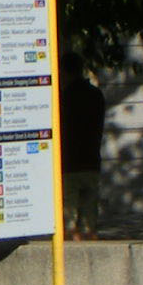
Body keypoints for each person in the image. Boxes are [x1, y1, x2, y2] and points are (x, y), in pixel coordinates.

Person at [59, 54, 106, 241]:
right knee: (89, 224)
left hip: (69, 164)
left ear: (63, 72)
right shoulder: (96, 95)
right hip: (91, 161)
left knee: (69, 225)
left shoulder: (63, 97)